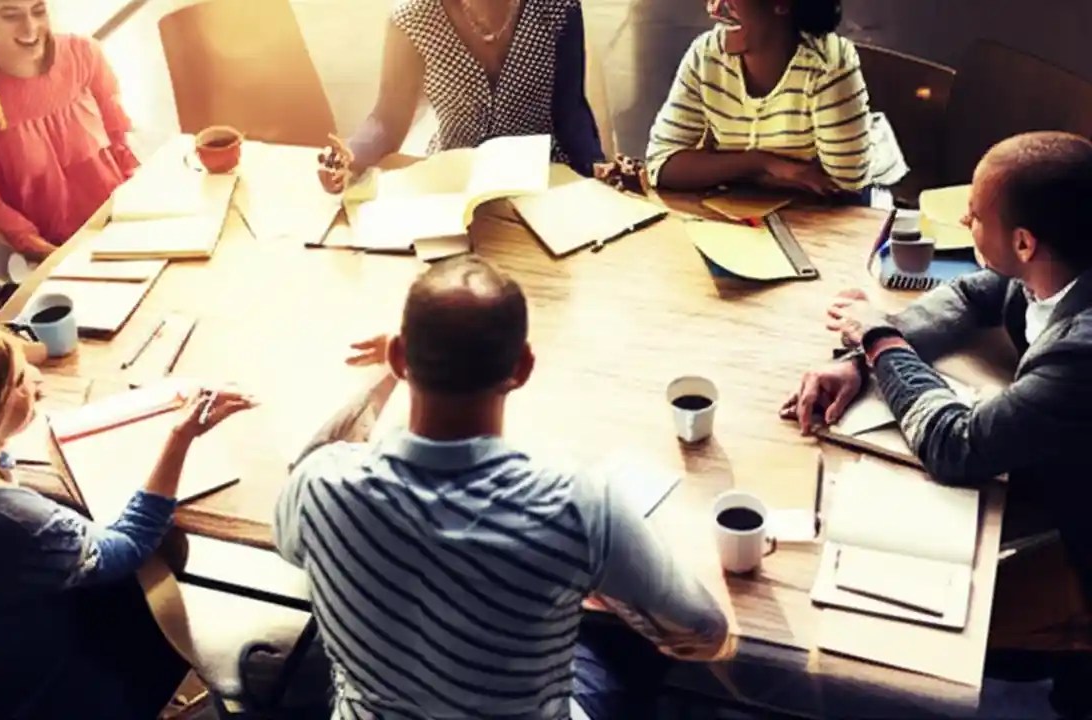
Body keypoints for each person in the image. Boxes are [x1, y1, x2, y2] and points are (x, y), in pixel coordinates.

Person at [275, 255, 732, 718]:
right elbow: (704, 632)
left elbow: (311, 478)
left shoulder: (317, 488)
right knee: (618, 644)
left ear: (398, 358)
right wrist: (601, 585)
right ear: (523, 368)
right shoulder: (577, 503)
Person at [781, 131, 1092, 714]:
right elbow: (975, 295)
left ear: (1023, 241)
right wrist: (858, 362)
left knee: (896, 640)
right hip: (1053, 472)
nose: (964, 221)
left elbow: (956, 444)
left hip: (1076, 541)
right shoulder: (1058, 258)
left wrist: (878, 338)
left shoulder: (1081, 350)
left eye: (974, 216)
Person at [0, 314, 255, 718]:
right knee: (162, 551)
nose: (37, 381)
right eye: (21, 380)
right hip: (44, 697)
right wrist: (179, 436)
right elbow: (128, 545)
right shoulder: (11, 521)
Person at [0, 0, 140, 265]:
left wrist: (140, 207)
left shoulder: (84, 53)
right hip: (54, 252)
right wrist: (49, 253)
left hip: (122, 225)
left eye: (38, 11)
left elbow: (122, 149)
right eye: (10, 15)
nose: (30, 29)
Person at [316, 0, 604, 193]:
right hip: (454, 184)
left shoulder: (556, 7)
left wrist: (598, 174)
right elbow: (387, 119)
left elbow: (571, 111)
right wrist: (349, 157)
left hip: (542, 180)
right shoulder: (413, 17)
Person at [641, 0, 906, 195]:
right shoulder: (705, 56)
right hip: (752, 214)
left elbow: (843, 184)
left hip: (837, 219)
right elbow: (662, 164)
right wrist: (762, 163)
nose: (714, 7)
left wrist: (718, 165)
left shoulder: (828, 64)